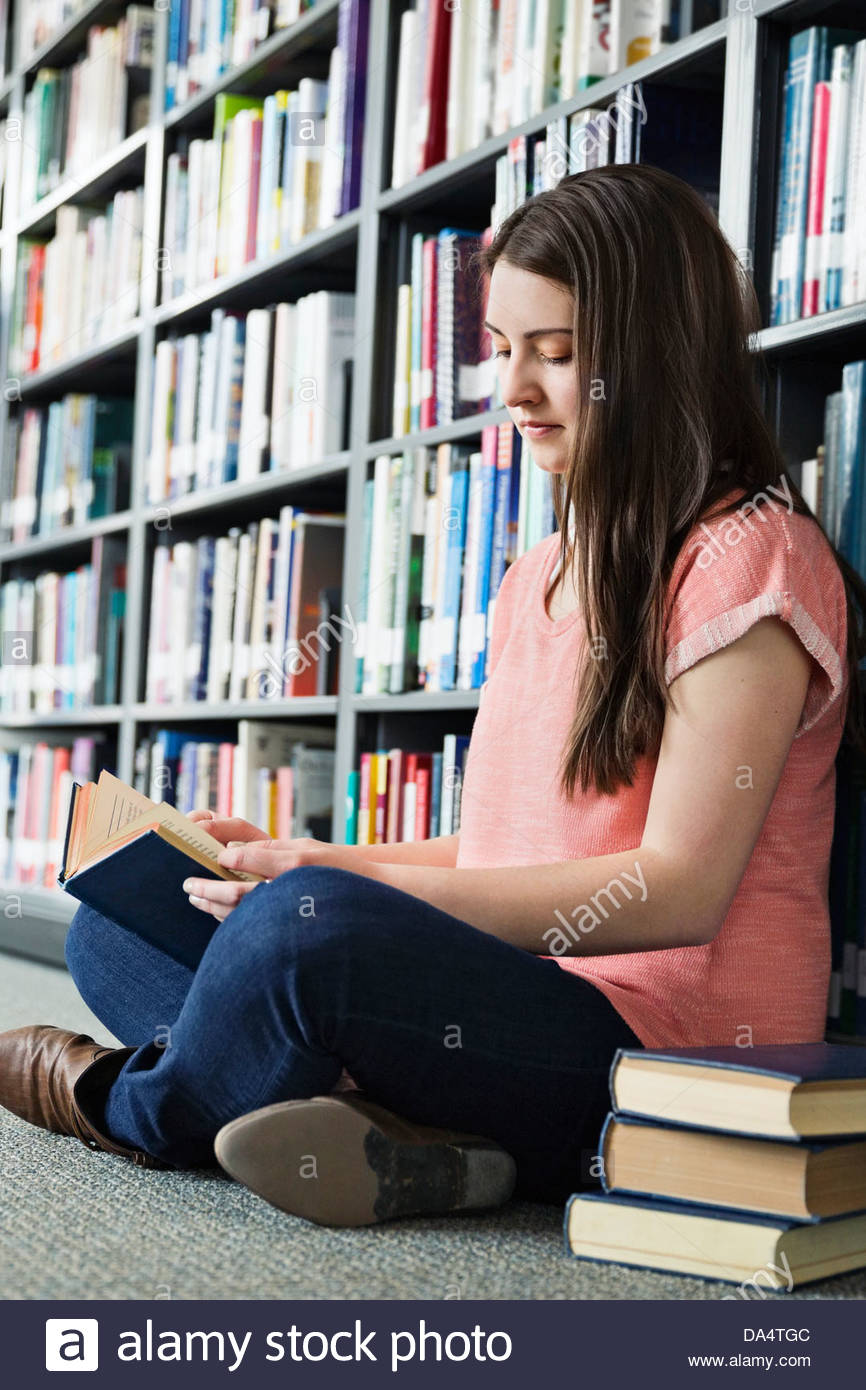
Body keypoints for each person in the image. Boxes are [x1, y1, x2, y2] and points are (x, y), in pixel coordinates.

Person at [2, 165, 865, 1229]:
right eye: (503, 349)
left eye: (554, 354)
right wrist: (296, 860)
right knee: (118, 926)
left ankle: (132, 1102)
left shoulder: (748, 560)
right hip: (512, 995)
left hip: (656, 1051)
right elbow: (494, 847)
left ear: (656, 356)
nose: (512, 389)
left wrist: (317, 903)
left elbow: (676, 889)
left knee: (297, 944)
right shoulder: (534, 575)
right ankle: (428, 1139)